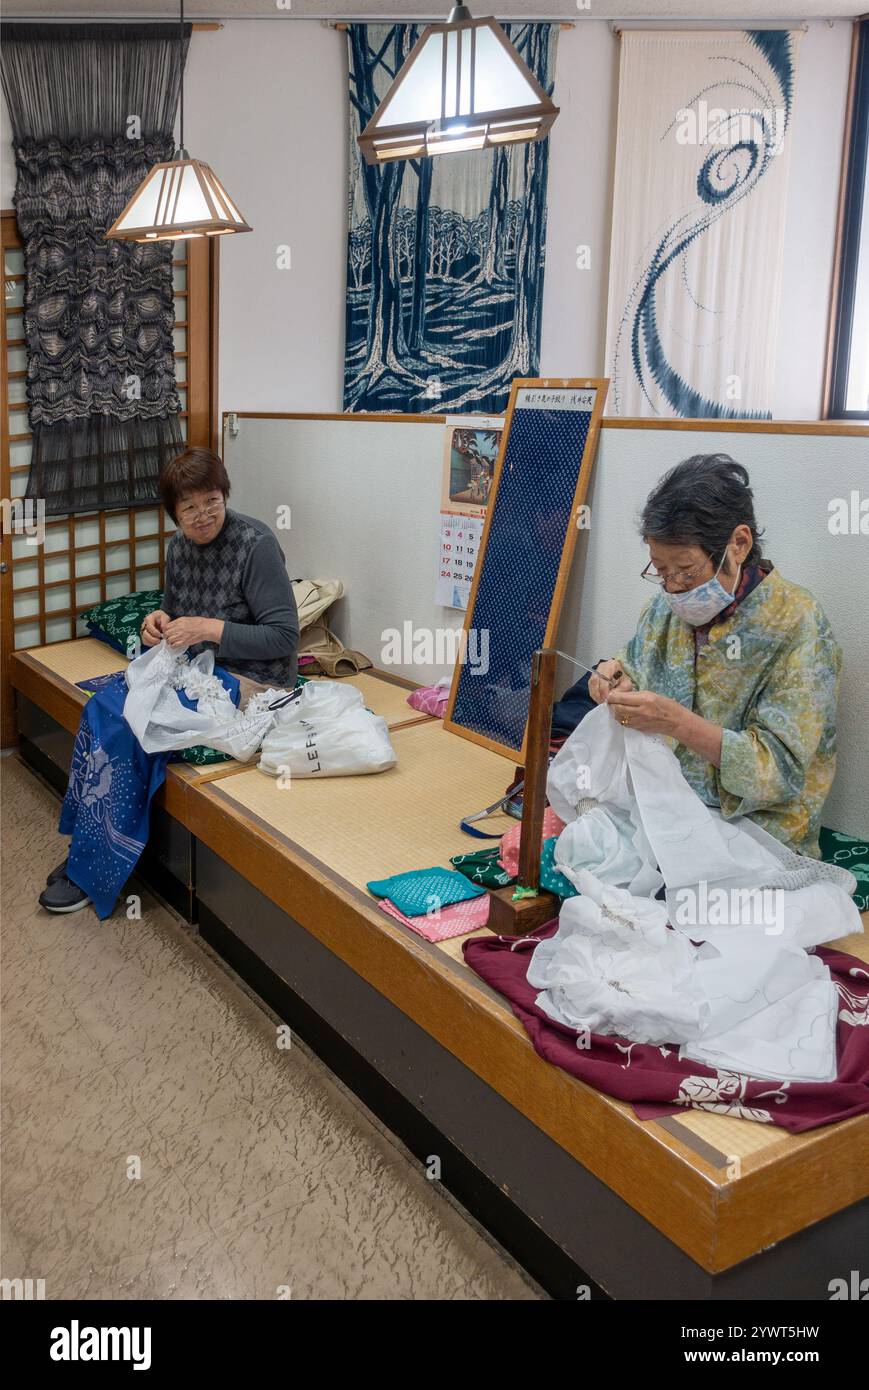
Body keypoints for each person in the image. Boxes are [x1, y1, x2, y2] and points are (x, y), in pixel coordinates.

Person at [39, 447, 299, 914]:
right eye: (189, 508)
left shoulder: (255, 544)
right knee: (103, 706)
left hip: (253, 682)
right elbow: (176, 615)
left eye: (211, 501)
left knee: (136, 725)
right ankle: (86, 850)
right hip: (196, 668)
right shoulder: (177, 548)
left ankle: (96, 867)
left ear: (225, 494)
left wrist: (209, 629)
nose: (203, 516)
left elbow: (283, 637)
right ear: (173, 515)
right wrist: (158, 623)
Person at [587, 454, 840, 857]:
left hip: (759, 833)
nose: (672, 587)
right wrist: (609, 678)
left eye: (686, 571)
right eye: (661, 570)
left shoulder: (797, 624)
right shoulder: (663, 610)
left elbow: (782, 773)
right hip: (665, 810)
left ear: (738, 544)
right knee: (570, 848)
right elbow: (632, 666)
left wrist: (679, 724)